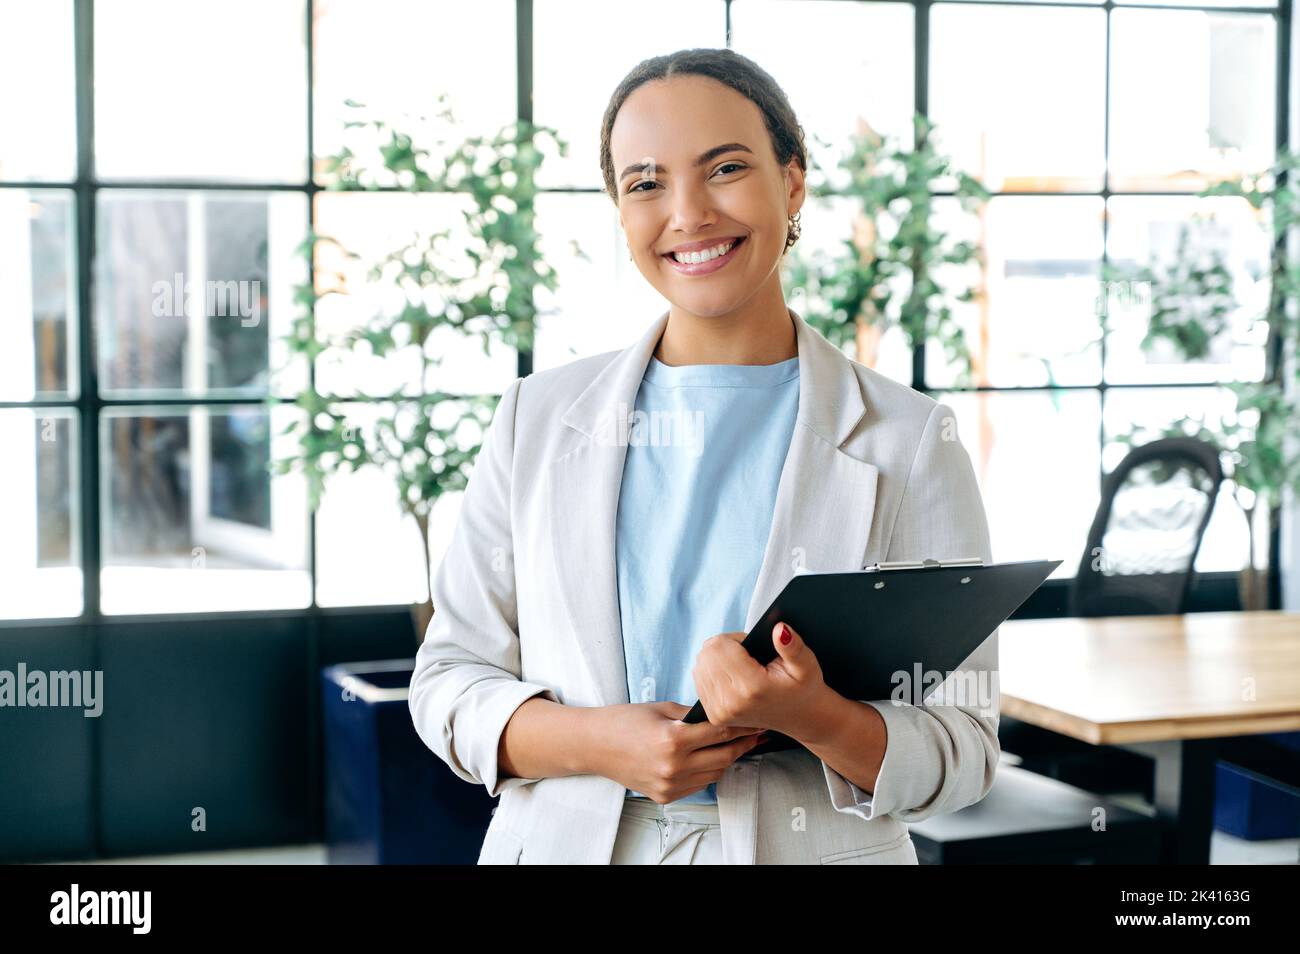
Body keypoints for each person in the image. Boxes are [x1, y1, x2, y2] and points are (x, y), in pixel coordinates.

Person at [408, 47, 999, 865]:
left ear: (792, 183)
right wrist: (596, 743)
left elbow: (965, 746)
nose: (687, 214)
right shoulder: (534, 420)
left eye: (724, 168)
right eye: (645, 183)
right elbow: (448, 681)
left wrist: (813, 715)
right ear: (620, 210)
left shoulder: (909, 439)